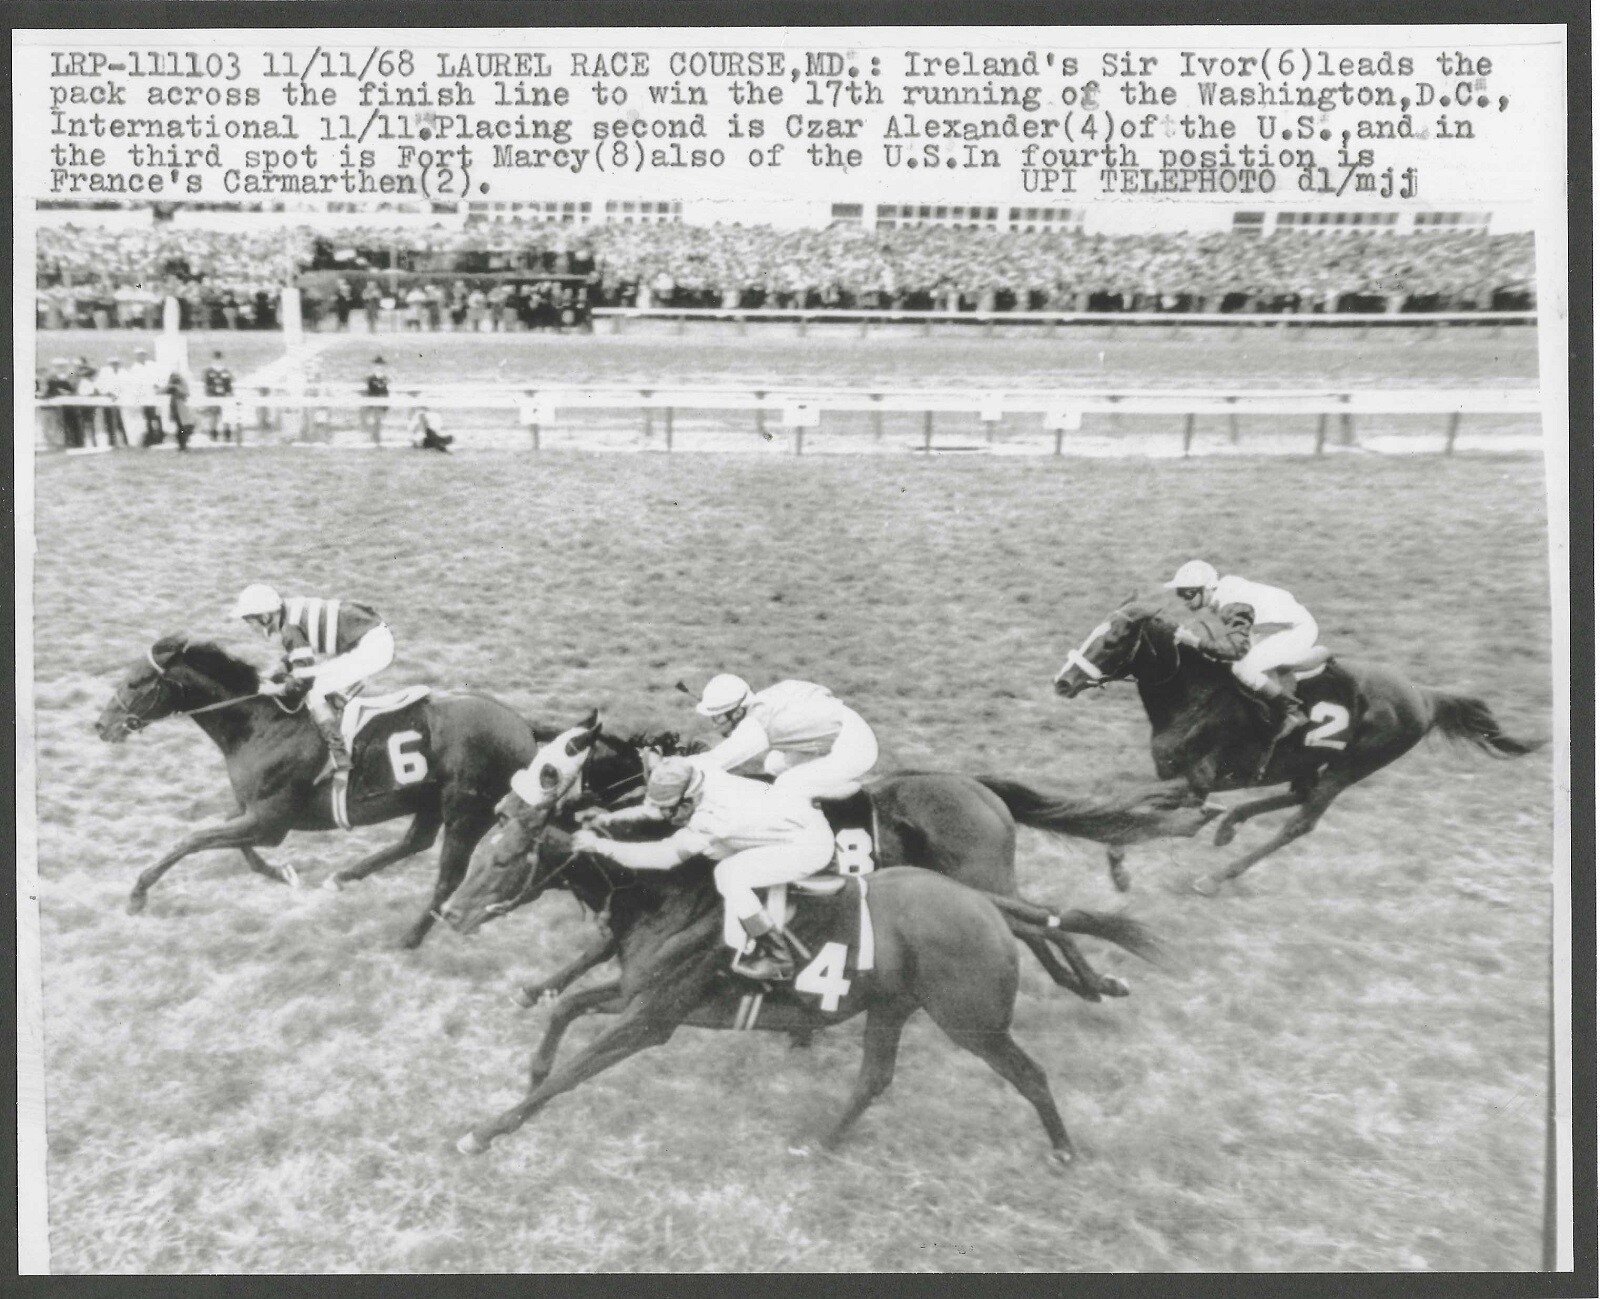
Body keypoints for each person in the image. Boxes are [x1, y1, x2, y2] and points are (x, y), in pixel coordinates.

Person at [572, 756, 833, 981]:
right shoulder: (697, 775)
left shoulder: (712, 818)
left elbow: (663, 856)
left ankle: (778, 958)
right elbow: (656, 809)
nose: (665, 816)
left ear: (686, 803)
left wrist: (599, 845)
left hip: (809, 844)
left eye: (669, 811)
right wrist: (610, 817)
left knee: (730, 875)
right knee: (720, 859)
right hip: (793, 822)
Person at [229, 583, 394, 774]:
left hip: (371, 647)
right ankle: (342, 706)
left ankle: (339, 757)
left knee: (314, 693)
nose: (251, 628)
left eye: (251, 622)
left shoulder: (289, 629)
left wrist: (275, 689)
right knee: (325, 679)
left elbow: (303, 681)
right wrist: (279, 669)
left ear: (265, 617)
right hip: (367, 636)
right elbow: (301, 651)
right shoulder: (288, 610)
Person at [1163, 559, 1316, 740]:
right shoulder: (1223, 595)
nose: (1184, 600)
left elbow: (1235, 650)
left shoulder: (1232, 604)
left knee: (1243, 668)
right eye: (1180, 593)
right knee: (1238, 666)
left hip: (1297, 630)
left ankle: (1293, 711)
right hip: (1275, 626)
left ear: (1207, 589)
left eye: (1188, 593)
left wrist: (1195, 641)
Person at [693, 675, 879, 802]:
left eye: (717, 717)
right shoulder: (759, 703)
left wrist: (668, 764)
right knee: (773, 765)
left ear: (738, 712)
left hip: (854, 747)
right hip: (838, 732)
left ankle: (845, 797)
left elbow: (716, 762)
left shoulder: (755, 727)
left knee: (787, 785)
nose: (714, 724)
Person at [202, 351, 235, 441]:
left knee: (226, 416)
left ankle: (227, 435)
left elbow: (229, 385)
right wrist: (209, 395)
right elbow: (207, 385)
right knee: (214, 416)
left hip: (224, 397)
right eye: (216, 359)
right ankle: (213, 435)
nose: (218, 361)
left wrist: (229, 394)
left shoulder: (225, 371)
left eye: (219, 359)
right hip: (213, 397)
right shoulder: (209, 371)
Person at [164, 369, 196, 451]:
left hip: (182, 409)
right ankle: (182, 445)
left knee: (184, 428)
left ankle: (183, 444)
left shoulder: (182, 383)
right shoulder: (171, 384)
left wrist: (177, 388)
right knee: (179, 428)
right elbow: (166, 390)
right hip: (175, 408)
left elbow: (186, 393)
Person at [360, 356, 389, 444]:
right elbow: (368, 390)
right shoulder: (370, 378)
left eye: (381, 365)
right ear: (374, 366)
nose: (379, 367)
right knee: (373, 421)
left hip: (381, 403)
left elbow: (386, 391)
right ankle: (374, 438)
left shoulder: (385, 379)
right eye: (377, 365)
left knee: (378, 421)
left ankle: (377, 438)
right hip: (372, 403)